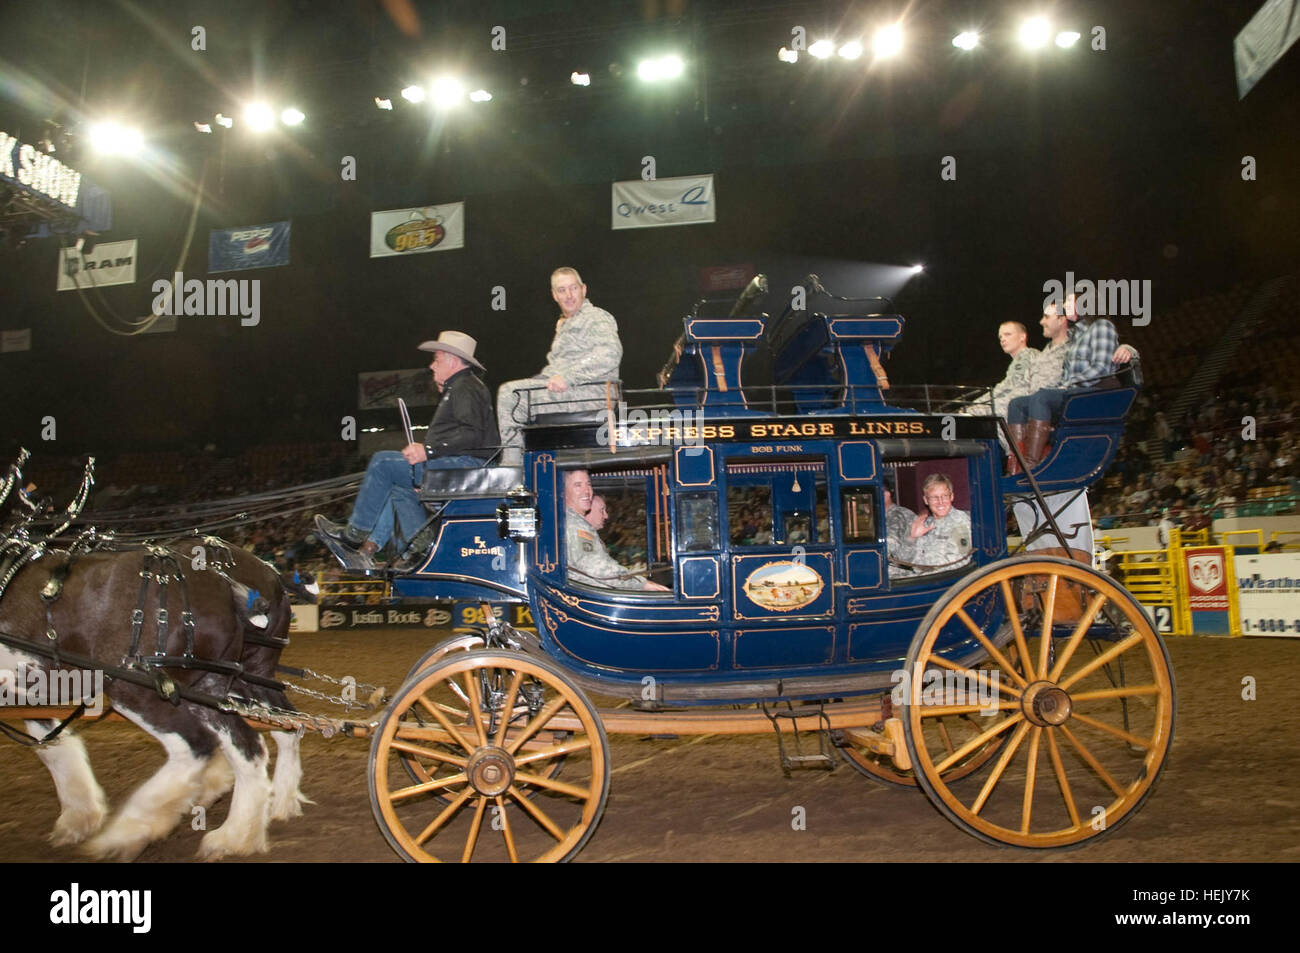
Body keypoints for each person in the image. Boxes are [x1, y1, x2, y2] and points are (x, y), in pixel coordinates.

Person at [316, 331, 496, 571]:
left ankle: (354, 535)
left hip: (466, 468)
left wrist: (428, 451)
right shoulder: (461, 387)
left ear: (453, 360)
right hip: (461, 466)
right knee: (399, 484)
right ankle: (414, 548)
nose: (432, 366)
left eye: (437, 359)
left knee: (382, 463)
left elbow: (471, 433)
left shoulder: (465, 386)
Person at [496, 268, 623, 466]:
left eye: (573, 288)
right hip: (573, 392)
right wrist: (540, 381)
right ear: (554, 295)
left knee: (510, 395)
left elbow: (609, 354)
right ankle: (528, 462)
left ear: (584, 289)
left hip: (592, 394)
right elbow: (556, 368)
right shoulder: (565, 324)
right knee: (519, 392)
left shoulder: (596, 317)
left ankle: (513, 467)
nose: (569, 295)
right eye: (562, 290)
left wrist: (568, 377)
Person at [1005, 294, 1137, 470]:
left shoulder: (1102, 327)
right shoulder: (1076, 335)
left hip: (1095, 392)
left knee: (1042, 398)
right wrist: (1061, 386)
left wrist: (1066, 385)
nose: (1063, 305)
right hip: (1074, 392)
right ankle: (1017, 464)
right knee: (1017, 404)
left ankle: (1031, 465)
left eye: (1068, 301)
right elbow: (1065, 375)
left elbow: (1101, 369)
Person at [563, 470, 668, 591]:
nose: (586, 490)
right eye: (578, 485)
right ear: (564, 492)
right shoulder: (575, 525)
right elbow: (598, 568)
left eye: (588, 484)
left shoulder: (572, 520)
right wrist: (643, 585)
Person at [968, 321, 1039, 421]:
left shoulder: (1026, 355)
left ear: (1022, 337)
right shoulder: (1020, 358)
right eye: (1000, 337)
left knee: (975, 410)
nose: (1003, 339)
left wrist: (976, 403)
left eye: (1008, 334)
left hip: (1024, 401)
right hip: (1021, 400)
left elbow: (1008, 386)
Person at [907, 473, 972, 573]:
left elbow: (960, 562)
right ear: (926, 500)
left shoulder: (960, 522)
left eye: (945, 496)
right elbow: (904, 560)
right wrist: (912, 538)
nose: (940, 502)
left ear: (952, 497)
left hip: (945, 582)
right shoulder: (925, 524)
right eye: (934, 497)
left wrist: (922, 571)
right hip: (920, 577)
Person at [884, 477, 917, 578]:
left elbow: (889, 546)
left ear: (886, 495)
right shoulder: (886, 515)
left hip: (900, 576)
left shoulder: (896, 516)